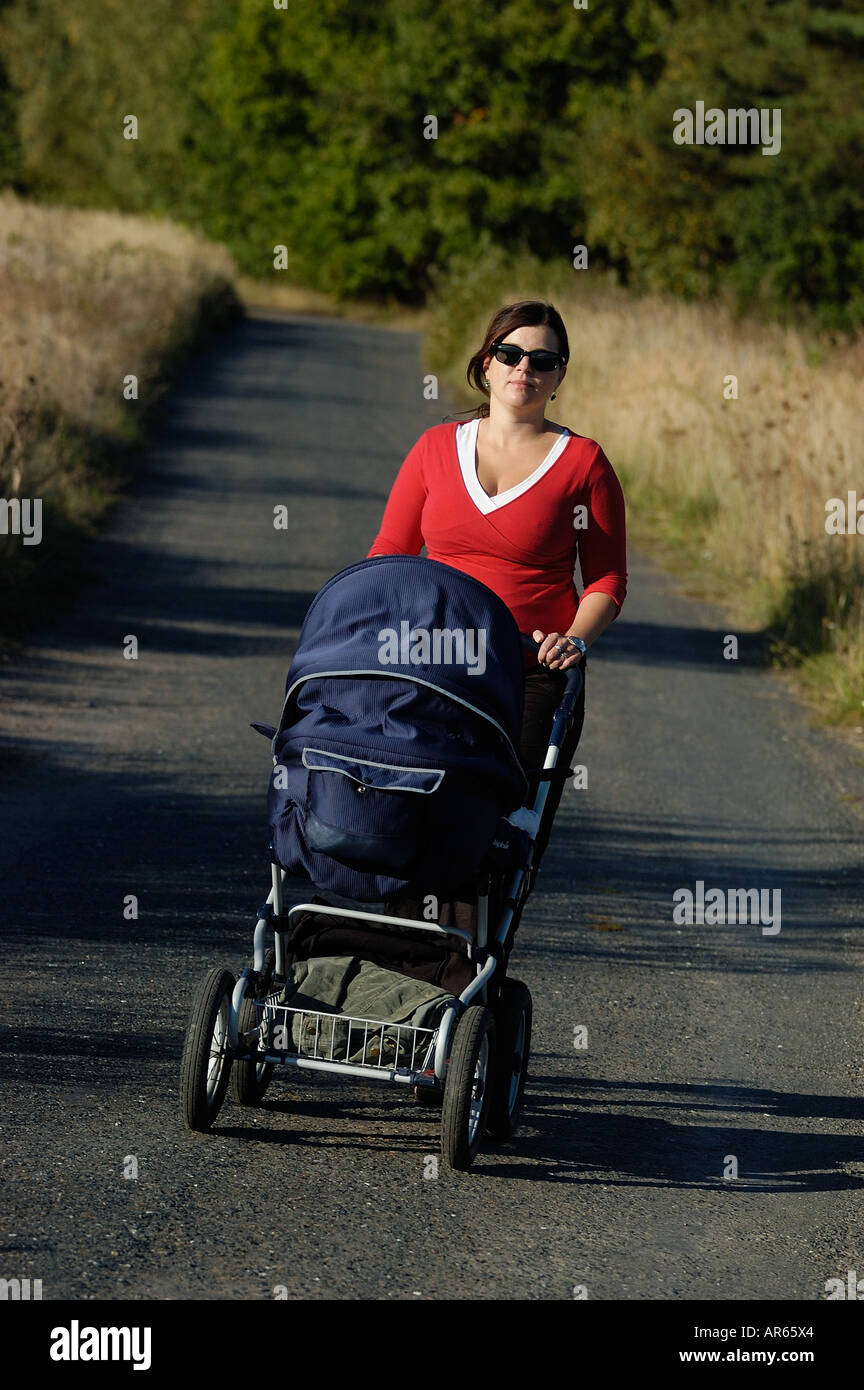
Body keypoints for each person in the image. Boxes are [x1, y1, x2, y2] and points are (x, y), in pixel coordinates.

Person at [367, 298, 627, 903]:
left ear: (560, 376)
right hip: (430, 661)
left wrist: (576, 638)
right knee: (405, 811)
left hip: (529, 671)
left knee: (499, 834)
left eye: (542, 360)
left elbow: (607, 582)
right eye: (509, 354)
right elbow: (390, 553)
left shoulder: (583, 465)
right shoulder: (434, 448)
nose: (523, 369)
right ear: (486, 363)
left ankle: (467, 968)